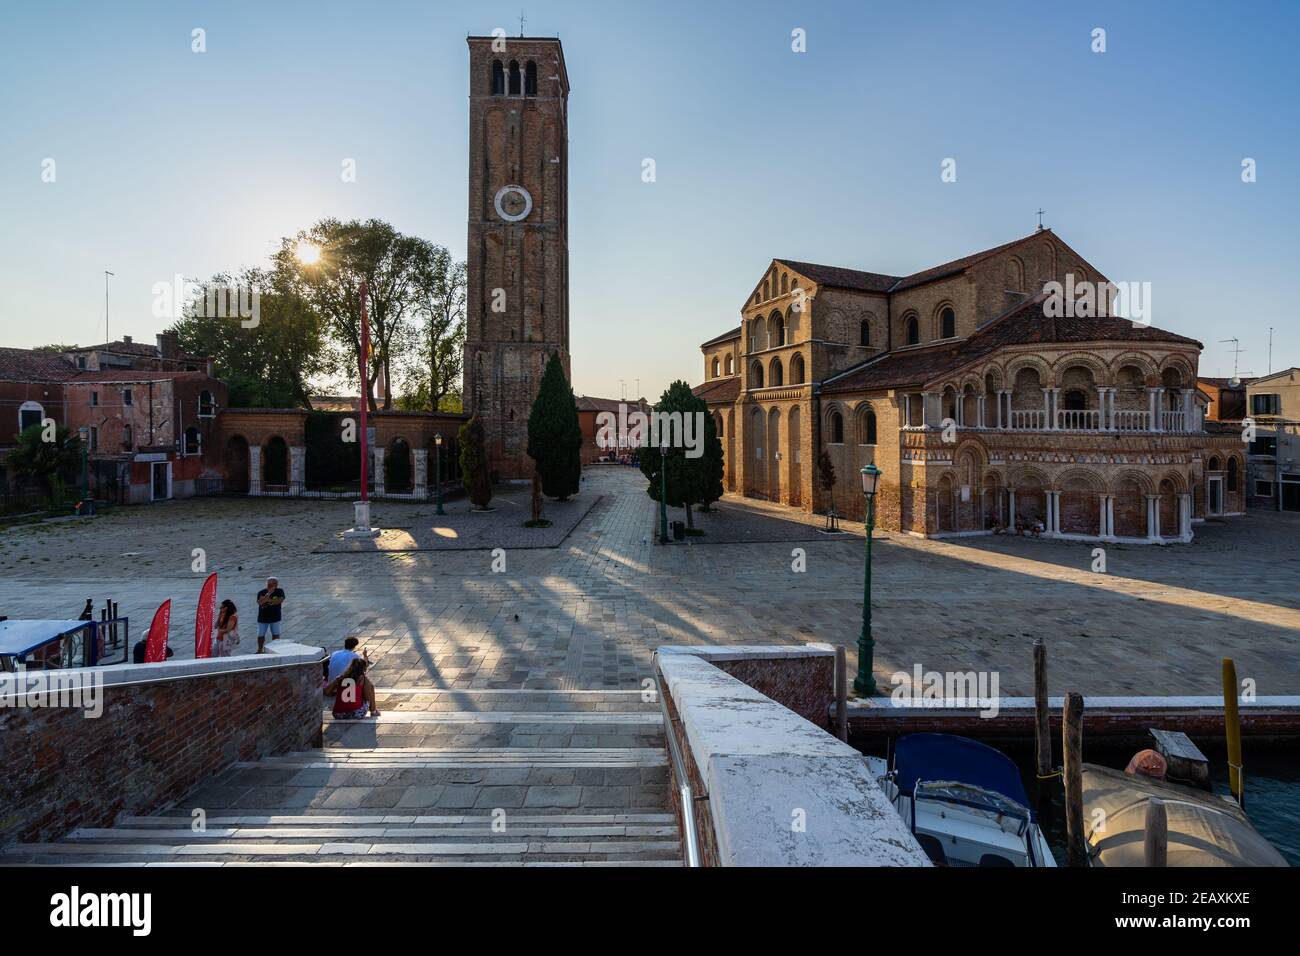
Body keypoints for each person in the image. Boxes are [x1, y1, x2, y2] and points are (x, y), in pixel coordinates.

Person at [325, 655, 380, 719]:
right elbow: (367, 697)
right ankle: (373, 711)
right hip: (356, 713)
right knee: (371, 687)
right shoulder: (363, 679)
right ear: (364, 669)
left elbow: (326, 692)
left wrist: (337, 692)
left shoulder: (341, 677)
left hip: (338, 714)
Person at [255, 577, 285, 653]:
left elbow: (279, 601)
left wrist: (268, 599)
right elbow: (260, 602)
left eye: (274, 583)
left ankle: (276, 649)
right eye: (270, 584)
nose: (271, 585)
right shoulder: (261, 592)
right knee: (261, 634)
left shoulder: (280, 591)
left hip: (275, 617)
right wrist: (269, 594)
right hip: (263, 617)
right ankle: (260, 649)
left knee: (276, 634)